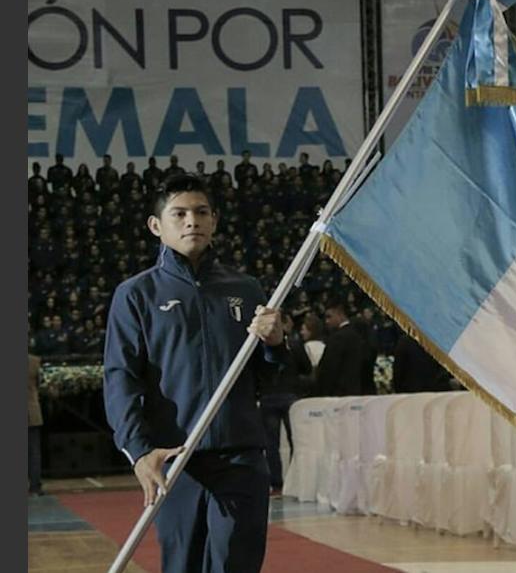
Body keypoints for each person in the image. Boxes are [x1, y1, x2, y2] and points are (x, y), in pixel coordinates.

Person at [103, 174, 289, 573]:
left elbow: (265, 378)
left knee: (234, 565)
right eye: (180, 213)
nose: (192, 221)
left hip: (241, 456)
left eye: (201, 212)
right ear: (157, 226)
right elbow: (120, 379)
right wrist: (139, 452)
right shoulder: (137, 294)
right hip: (174, 459)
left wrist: (274, 345)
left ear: (215, 221)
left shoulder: (247, 289)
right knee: (183, 565)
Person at [256, 312, 313, 494]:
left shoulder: (259, 344)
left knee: (271, 444)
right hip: (290, 395)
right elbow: (307, 368)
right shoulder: (295, 344)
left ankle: (277, 483)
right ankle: (298, 481)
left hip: (267, 395)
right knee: (296, 440)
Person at [315, 300, 374, 397]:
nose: (327, 321)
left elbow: (329, 369)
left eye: (329, 316)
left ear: (340, 314)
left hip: (338, 394)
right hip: (357, 392)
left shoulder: (338, 338)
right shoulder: (359, 335)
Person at [28, 348, 44, 496]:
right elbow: (39, 384)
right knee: (34, 452)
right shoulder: (34, 361)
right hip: (32, 410)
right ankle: (35, 486)